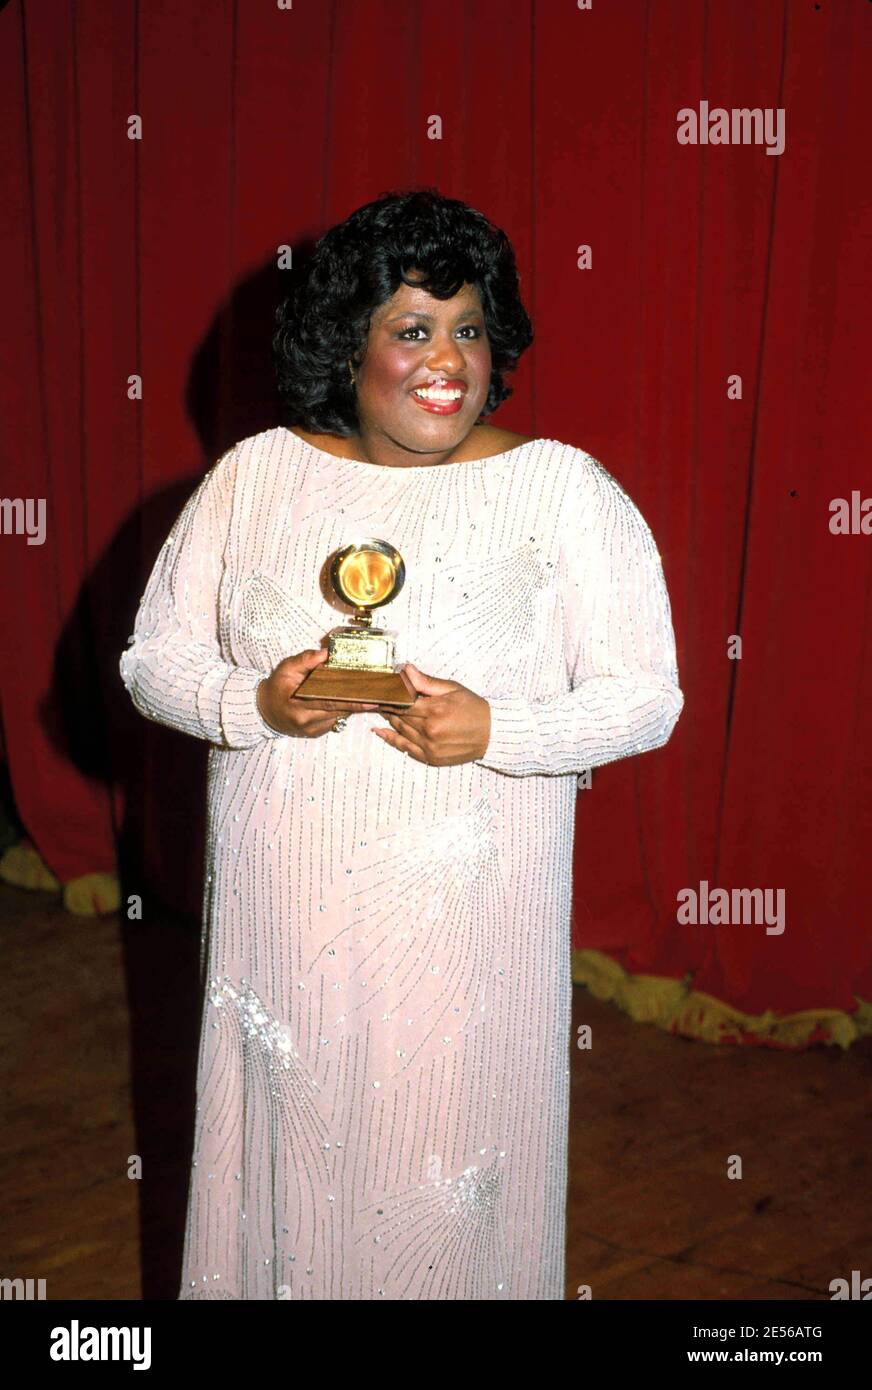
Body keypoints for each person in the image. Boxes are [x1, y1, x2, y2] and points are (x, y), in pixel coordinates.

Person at [119, 187, 684, 1301]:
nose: (446, 361)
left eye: (467, 328)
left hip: (467, 952)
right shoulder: (253, 478)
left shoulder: (560, 489)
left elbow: (647, 697)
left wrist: (500, 728)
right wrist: (255, 706)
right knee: (299, 1194)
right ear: (347, 347)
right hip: (287, 932)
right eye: (411, 329)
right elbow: (149, 661)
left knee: (443, 1206)